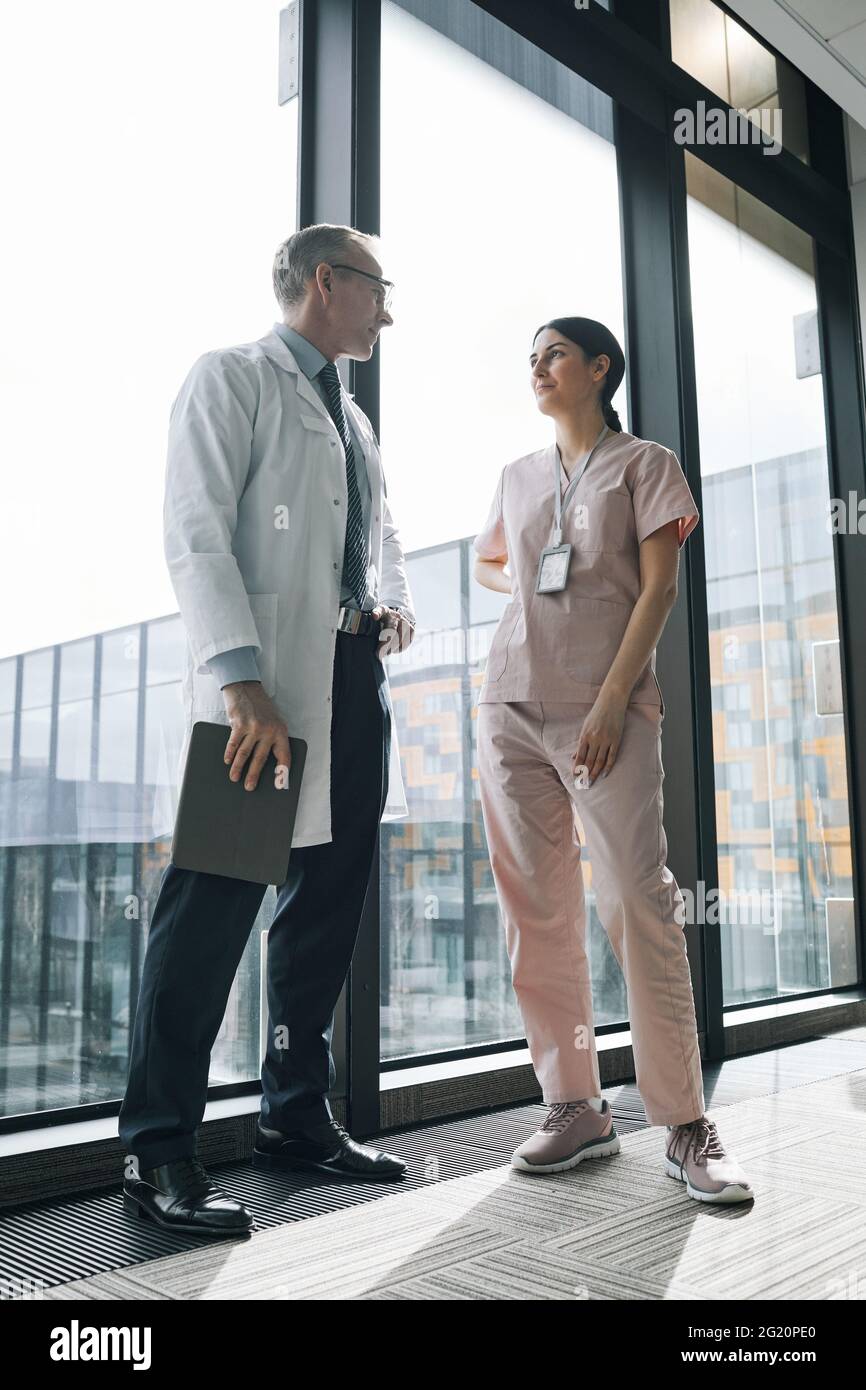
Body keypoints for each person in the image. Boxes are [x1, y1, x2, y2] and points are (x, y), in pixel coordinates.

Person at [119, 224, 417, 1236]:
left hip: (348, 676)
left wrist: (389, 600)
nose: (389, 309)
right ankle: (157, 1146)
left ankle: (294, 1118)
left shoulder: (351, 416)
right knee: (209, 913)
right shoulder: (232, 378)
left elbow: (379, 534)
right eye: (379, 289)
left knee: (322, 913)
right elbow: (192, 530)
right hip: (261, 688)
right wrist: (240, 684)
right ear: (326, 283)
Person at [473, 317, 754, 1204]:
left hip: (608, 711)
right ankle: (575, 1105)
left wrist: (606, 703)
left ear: (600, 367)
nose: (538, 367)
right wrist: (530, 582)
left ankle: (683, 1123)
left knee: (639, 898)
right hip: (510, 702)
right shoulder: (518, 477)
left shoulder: (646, 465)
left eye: (554, 352)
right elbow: (492, 567)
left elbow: (661, 586)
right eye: (531, 357)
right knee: (536, 909)